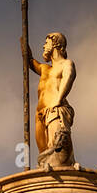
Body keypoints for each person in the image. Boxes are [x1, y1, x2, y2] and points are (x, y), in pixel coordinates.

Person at [24, 31, 76, 168]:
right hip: (40, 114)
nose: (43, 46)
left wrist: (59, 99)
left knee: (57, 147)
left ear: (56, 43)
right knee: (44, 152)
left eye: (46, 43)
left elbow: (68, 78)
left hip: (55, 110)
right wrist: (23, 45)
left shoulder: (66, 64)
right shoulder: (44, 68)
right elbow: (29, 61)